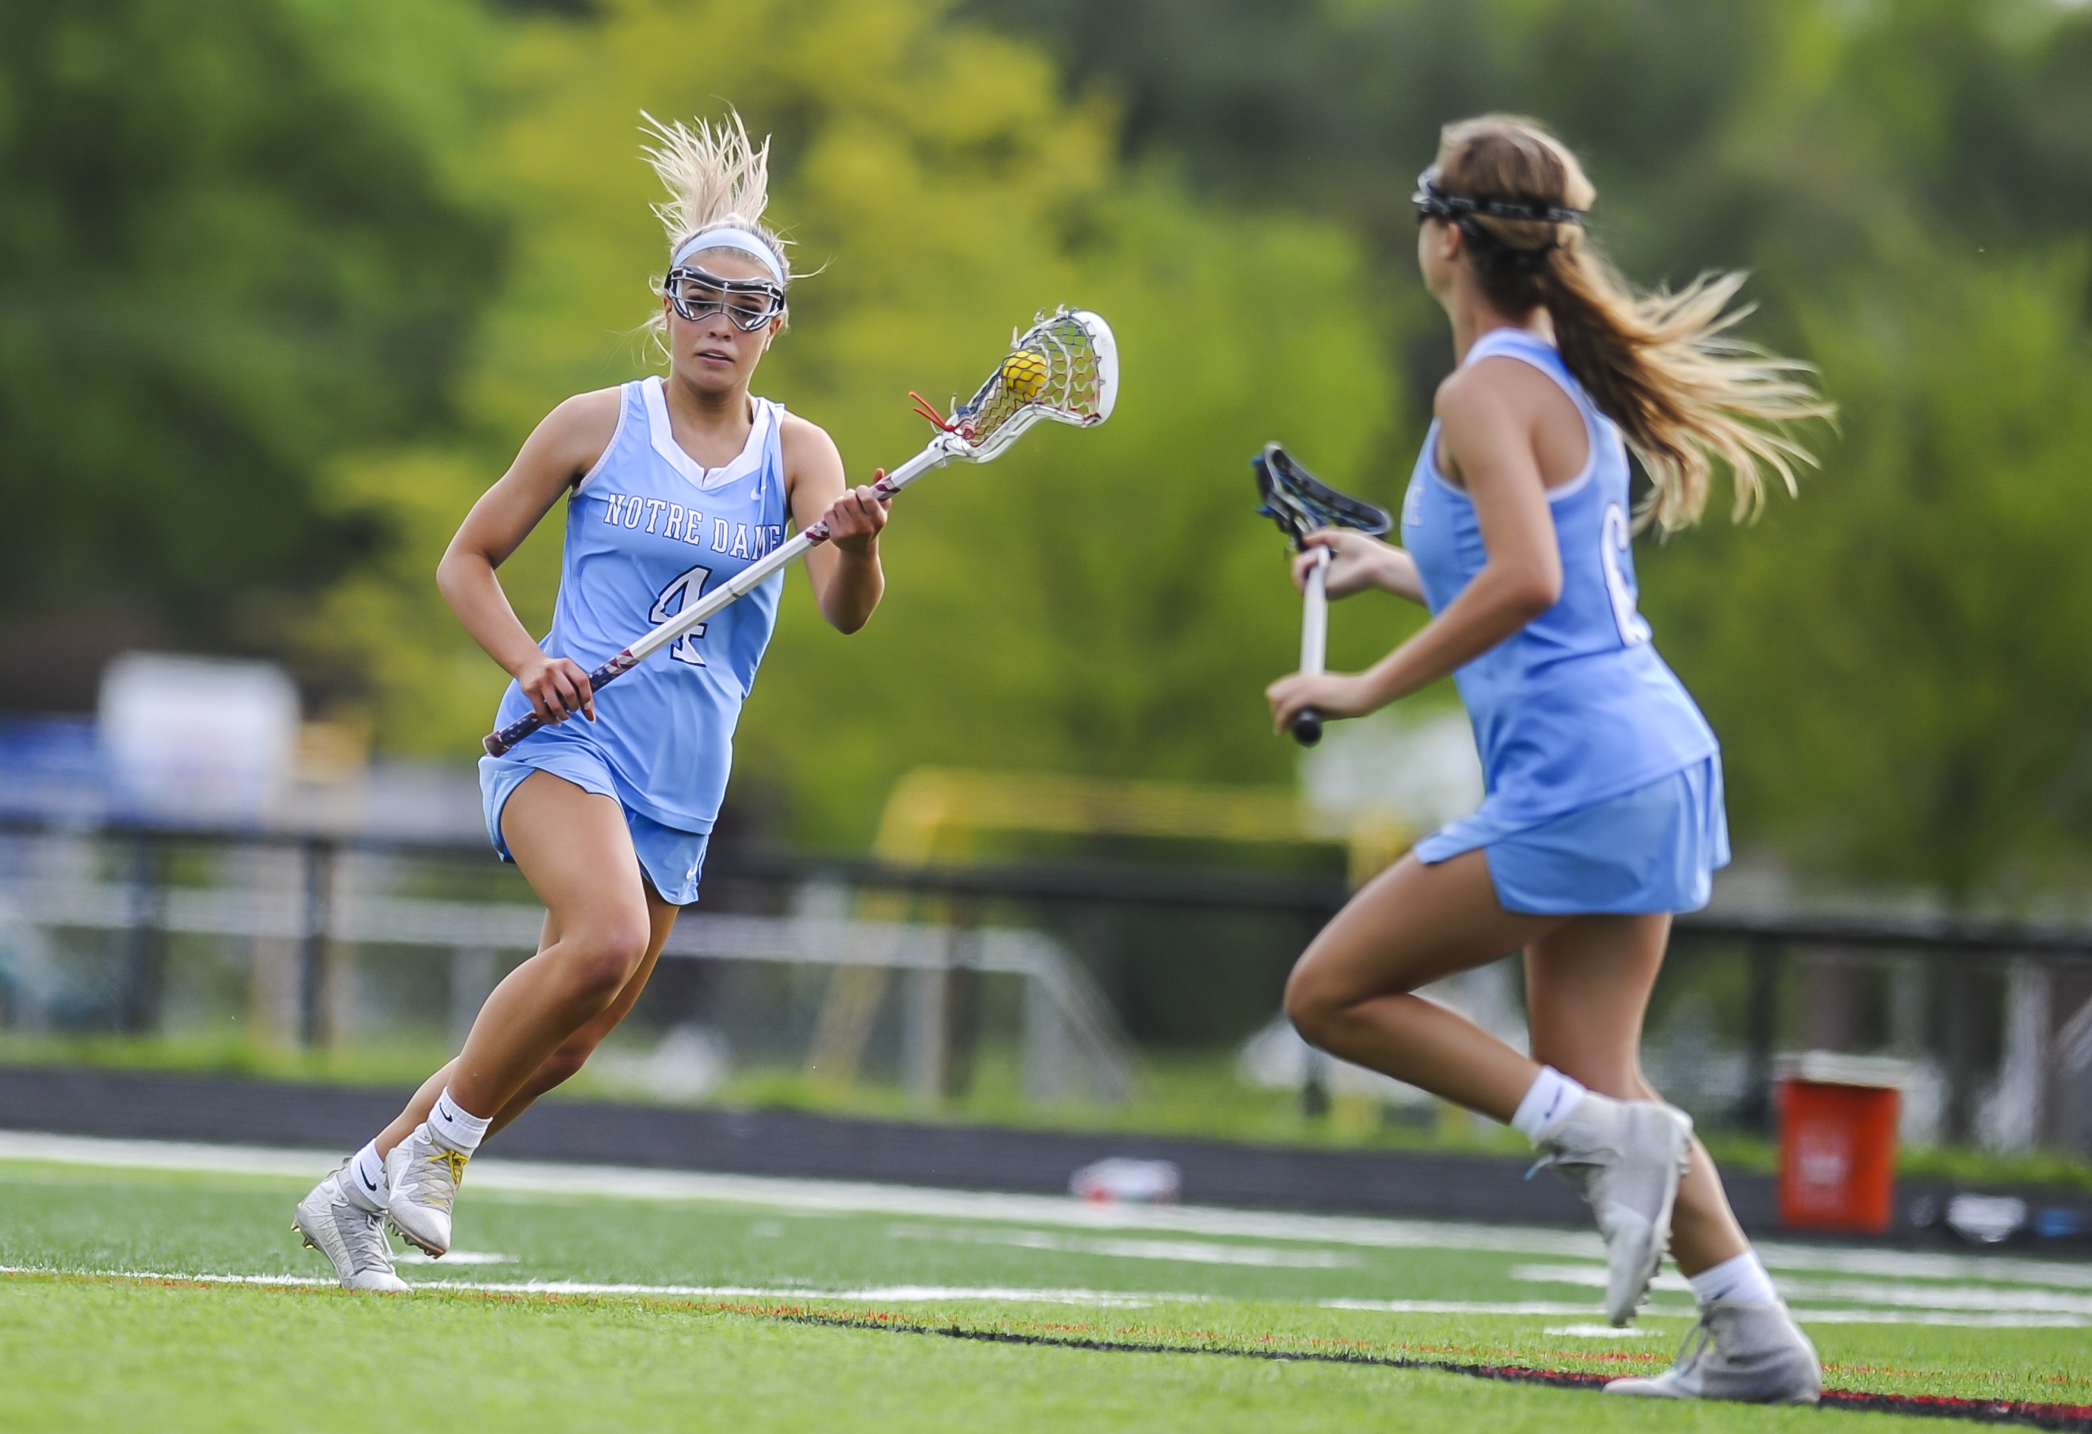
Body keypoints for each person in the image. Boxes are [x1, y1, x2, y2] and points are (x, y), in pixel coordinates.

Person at [1266, 115, 1832, 1405]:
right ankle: (1752, 1333)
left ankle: (1607, 1146)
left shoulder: (1482, 387)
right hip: (1648, 760)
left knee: (1330, 995)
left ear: (1446, 236)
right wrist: (1393, 569)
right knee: (1594, 1073)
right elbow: (1530, 578)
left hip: (1587, 773)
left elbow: (1525, 580)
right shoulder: (1548, 375)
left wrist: (1358, 688)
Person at [293, 113, 891, 1291]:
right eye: (699, 300)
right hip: (566, 744)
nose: (719, 325)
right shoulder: (593, 423)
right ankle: (440, 1157)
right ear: (666, 305)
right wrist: (526, 661)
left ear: (777, 325)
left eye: (744, 307)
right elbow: (465, 562)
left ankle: (359, 1190)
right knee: (605, 936)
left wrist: (863, 545)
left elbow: (846, 609)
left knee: (564, 1042)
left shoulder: (800, 455)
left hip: (684, 776)